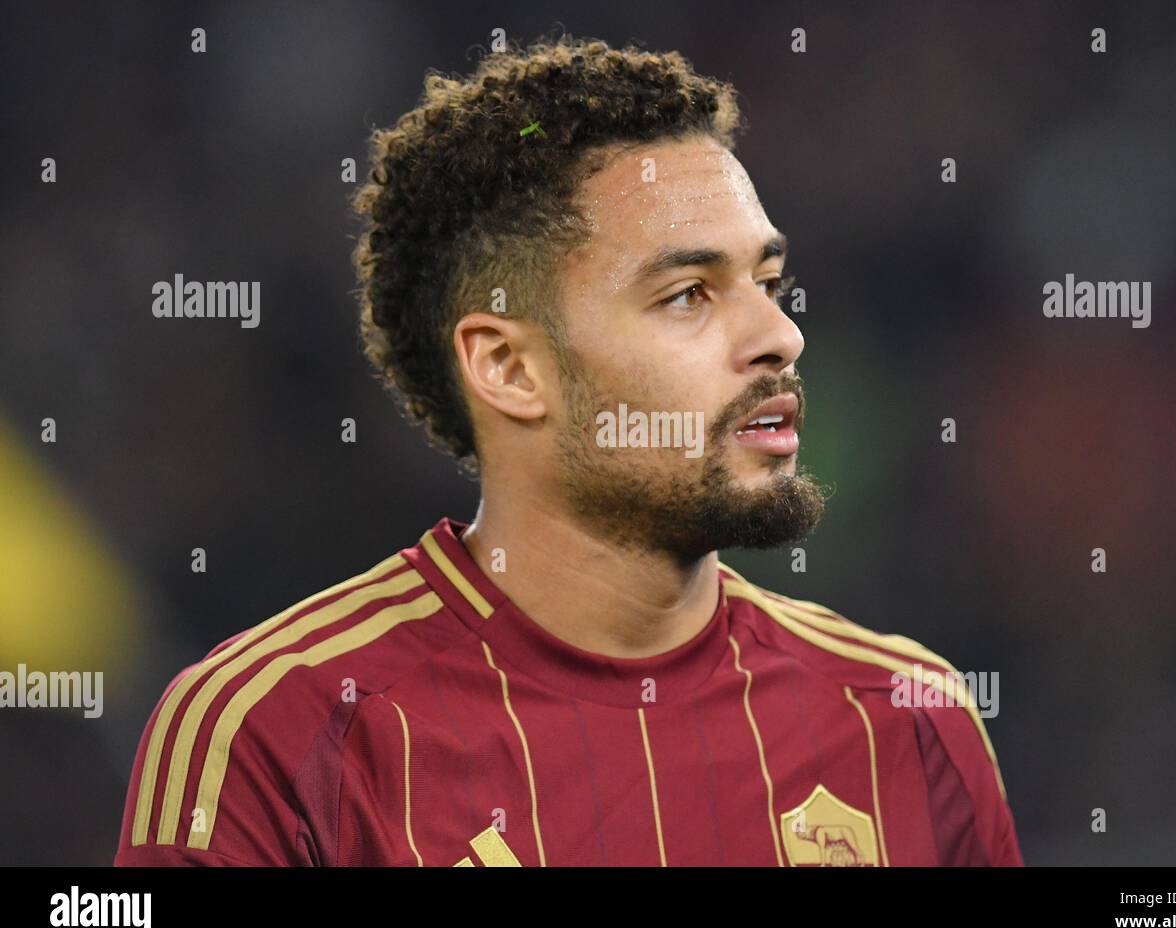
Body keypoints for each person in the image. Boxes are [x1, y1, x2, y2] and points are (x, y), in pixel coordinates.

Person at [115, 35, 1022, 867]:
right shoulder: (275, 733)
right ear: (509, 368)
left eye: (769, 281)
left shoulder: (907, 717)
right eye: (687, 296)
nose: (779, 335)